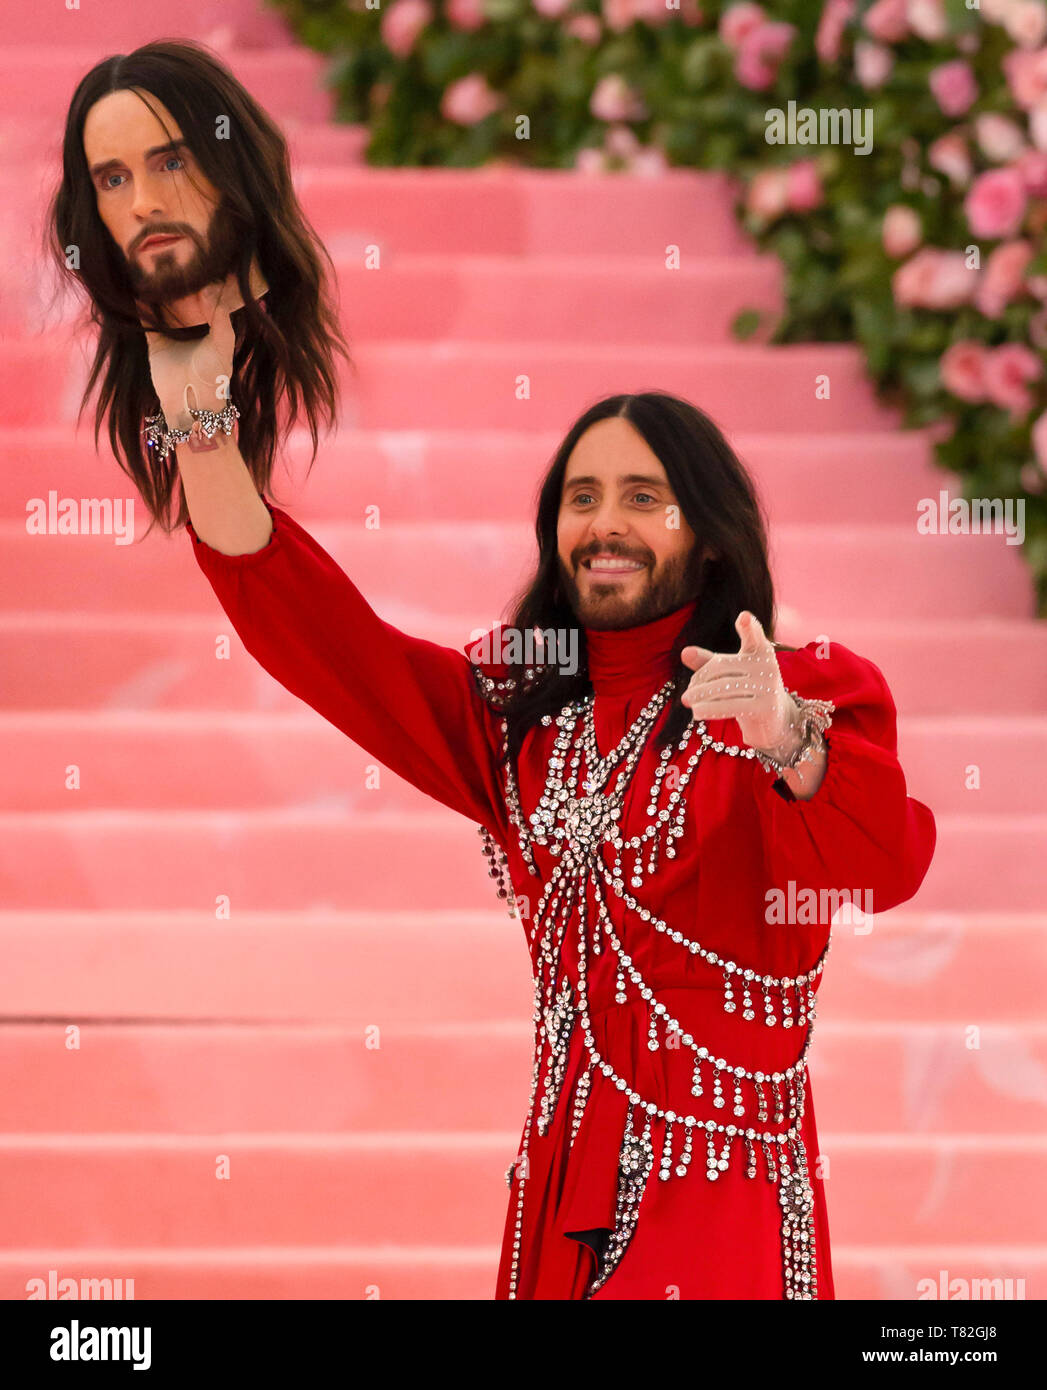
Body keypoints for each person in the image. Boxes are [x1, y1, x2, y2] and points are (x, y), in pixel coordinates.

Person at [47, 41, 937, 1302]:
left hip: (726, 1208)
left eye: (643, 494)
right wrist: (197, 414)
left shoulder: (809, 690)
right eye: (580, 497)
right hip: (558, 1211)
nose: (604, 522)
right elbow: (320, 636)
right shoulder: (517, 719)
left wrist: (788, 737)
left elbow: (887, 861)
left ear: (712, 529)